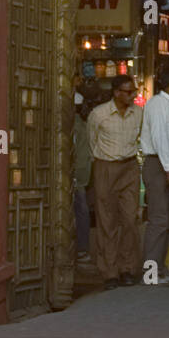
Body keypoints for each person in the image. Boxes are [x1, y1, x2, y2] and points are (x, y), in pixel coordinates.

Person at [87, 74, 142, 290]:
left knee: (130, 219)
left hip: (129, 167)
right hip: (106, 166)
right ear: (116, 92)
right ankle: (110, 271)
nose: (132, 95)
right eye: (128, 92)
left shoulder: (138, 113)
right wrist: (101, 165)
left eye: (133, 91)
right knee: (107, 221)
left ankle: (127, 268)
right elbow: (92, 142)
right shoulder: (98, 114)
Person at [140, 65, 169, 286]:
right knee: (158, 220)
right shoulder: (158, 105)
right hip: (160, 165)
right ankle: (150, 273)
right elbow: (160, 138)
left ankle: (162, 268)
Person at [73, 92, 93, 264]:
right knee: (81, 211)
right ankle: (81, 249)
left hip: (75, 176)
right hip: (81, 175)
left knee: (80, 211)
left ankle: (81, 248)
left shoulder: (76, 127)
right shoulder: (83, 126)